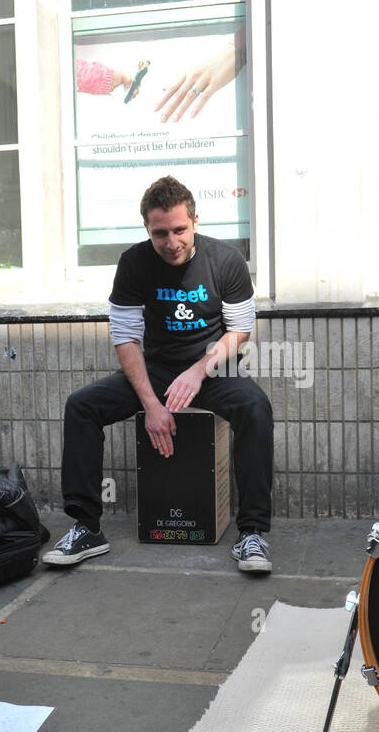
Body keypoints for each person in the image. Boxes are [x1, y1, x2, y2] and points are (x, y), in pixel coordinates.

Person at [42, 176, 275, 573]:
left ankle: (252, 534)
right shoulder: (134, 263)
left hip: (211, 368)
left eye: (180, 230)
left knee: (255, 407)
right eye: (160, 233)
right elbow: (126, 337)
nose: (171, 242)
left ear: (195, 221)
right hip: (154, 370)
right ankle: (86, 529)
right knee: (82, 407)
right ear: (147, 229)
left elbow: (240, 330)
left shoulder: (226, 261)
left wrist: (199, 371)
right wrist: (151, 403)